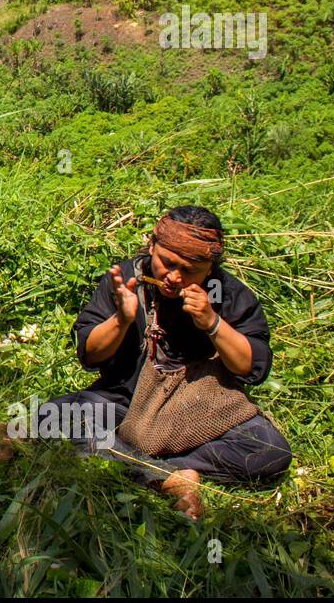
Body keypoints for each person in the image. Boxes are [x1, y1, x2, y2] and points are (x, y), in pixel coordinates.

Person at [48, 206, 291, 518]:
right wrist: (121, 320)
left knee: (271, 451)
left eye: (190, 270)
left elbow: (251, 369)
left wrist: (213, 323)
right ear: (152, 247)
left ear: (210, 267)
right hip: (125, 401)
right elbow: (90, 355)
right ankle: (169, 476)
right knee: (54, 417)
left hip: (200, 410)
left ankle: (147, 467)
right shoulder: (125, 279)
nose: (174, 277)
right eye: (167, 263)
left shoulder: (227, 294)